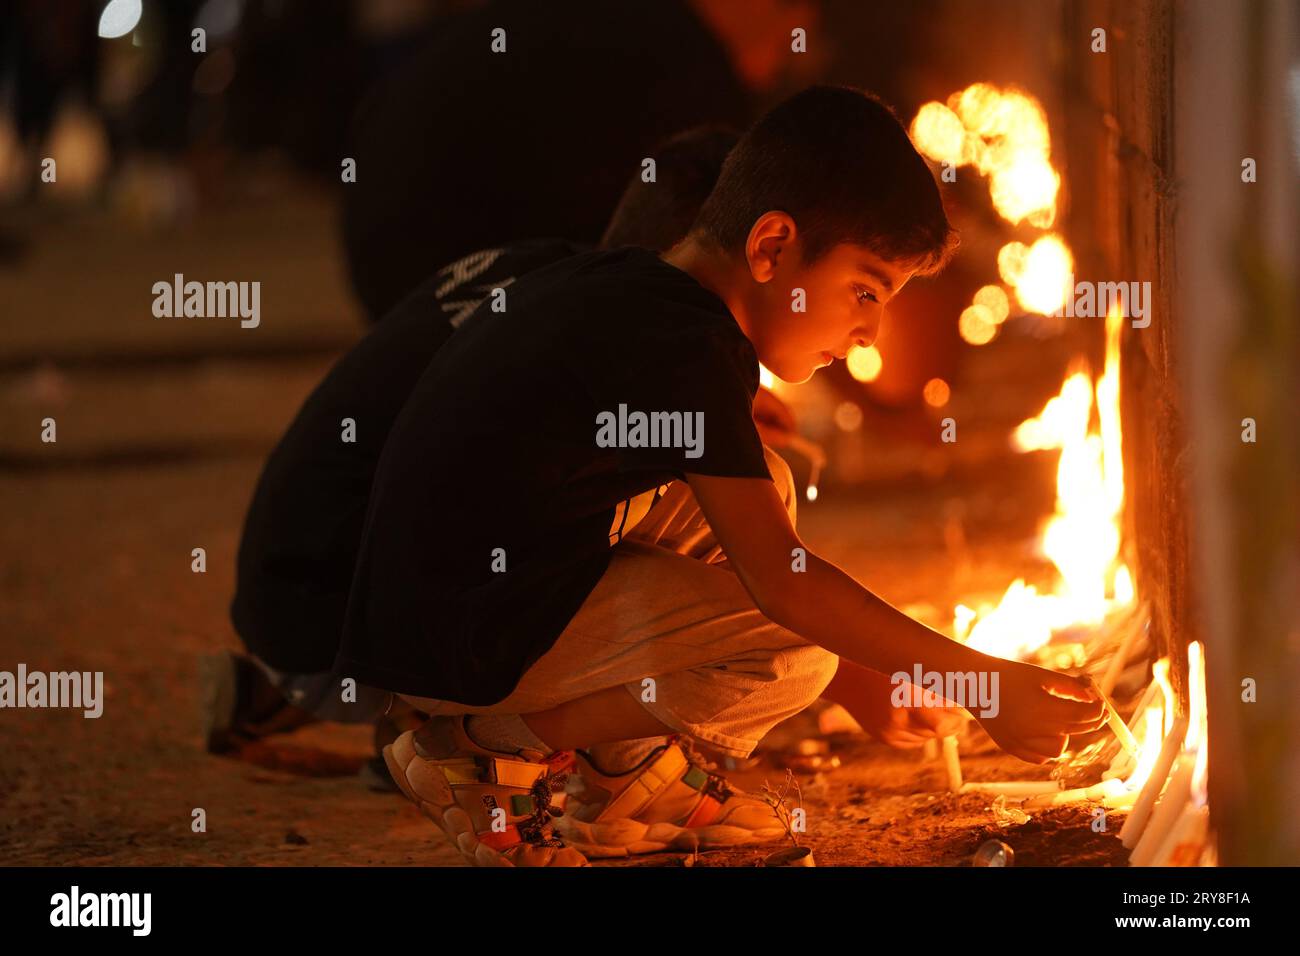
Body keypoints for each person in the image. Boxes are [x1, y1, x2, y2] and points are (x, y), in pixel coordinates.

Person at [344, 86, 1109, 867]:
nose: (868, 331)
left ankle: (626, 788)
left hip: (438, 616)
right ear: (773, 246)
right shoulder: (687, 349)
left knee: (764, 485)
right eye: (866, 291)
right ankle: (482, 752)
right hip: (456, 648)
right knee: (791, 656)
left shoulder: (637, 293)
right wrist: (981, 682)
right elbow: (785, 584)